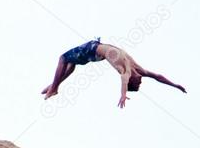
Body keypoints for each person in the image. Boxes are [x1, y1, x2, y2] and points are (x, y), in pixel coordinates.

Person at [41, 37, 187, 109]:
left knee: (63, 58)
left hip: (93, 49)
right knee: (71, 64)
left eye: (138, 83)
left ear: (132, 81)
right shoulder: (139, 69)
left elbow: (124, 80)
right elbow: (158, 77)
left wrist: (123, 95)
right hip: (95, 51)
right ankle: (54, 85)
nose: (141, 80)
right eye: (140, 82)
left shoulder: (127, 72)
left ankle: (54, 88)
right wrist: (175, 85)